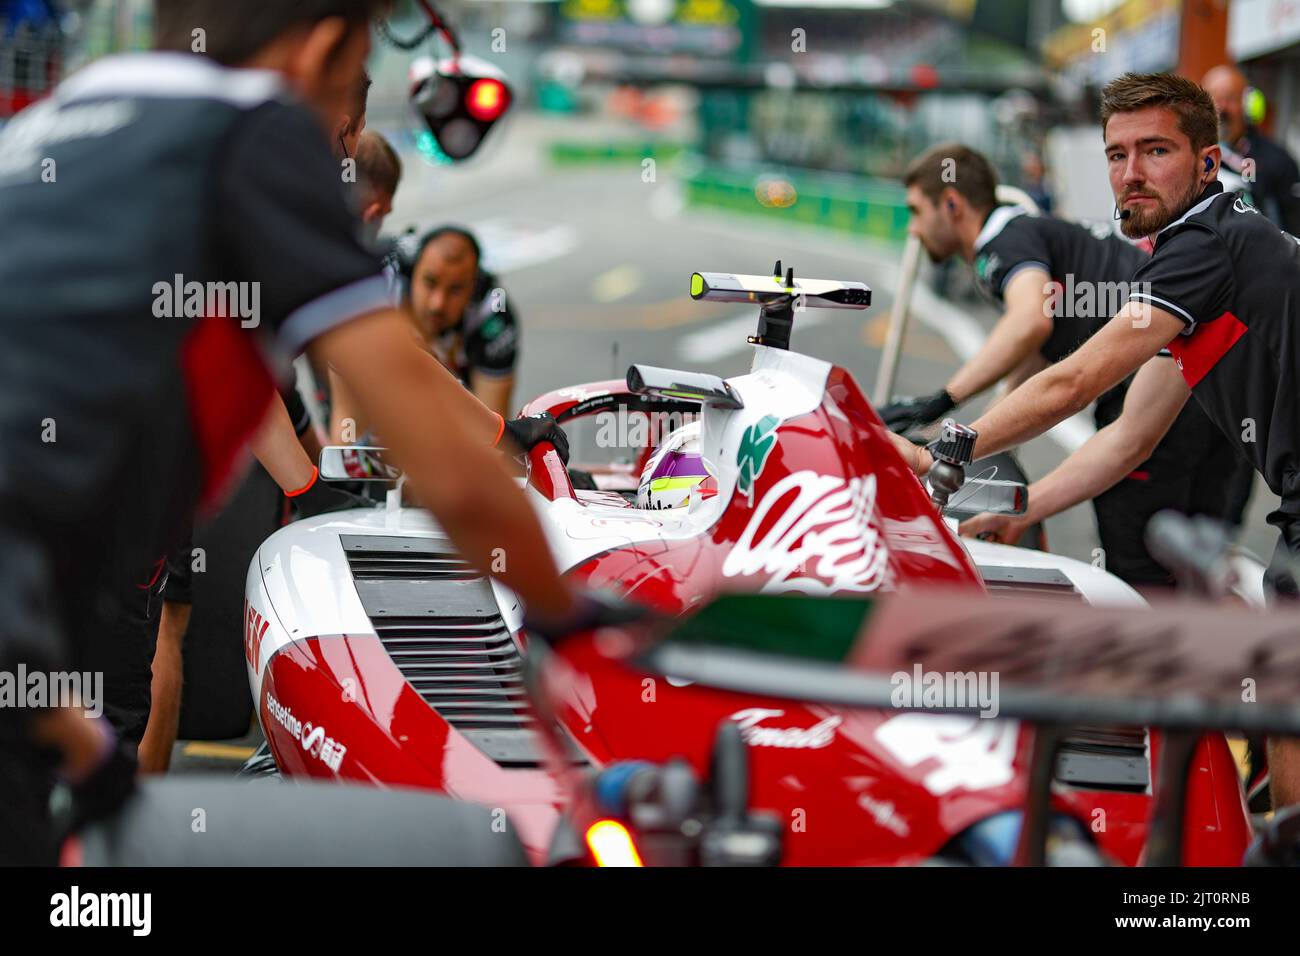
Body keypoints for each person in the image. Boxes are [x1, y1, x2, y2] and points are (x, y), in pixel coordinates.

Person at [0, 0, 579, 863]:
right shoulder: (253, 129)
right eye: (348, 121)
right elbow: (437, 451)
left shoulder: (64, 117)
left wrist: (84, 756)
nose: (342, 154)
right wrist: (581, 623)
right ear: (320, 48)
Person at [892, 72, 1300, 807]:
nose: (1130, 174)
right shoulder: (1203, 253)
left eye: (1155, 151)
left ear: (1207, 162)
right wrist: (1026, 506)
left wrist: (944, 443)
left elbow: (1073, 381)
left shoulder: (1208, 241)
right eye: (1117, 155)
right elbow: (1129, 438)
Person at [881, 143, 1252, 588]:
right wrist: (983, 430)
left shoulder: (1003, 243)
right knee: (1195, 565)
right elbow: (1042, 352)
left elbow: (1029, 324)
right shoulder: (1035, 231)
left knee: (1141, 574)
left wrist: (941, 402)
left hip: (1164, 392)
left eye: (916, 212)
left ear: (952, 204)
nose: (914, 230)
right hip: (1209, 394)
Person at [332, 226, 520, 437]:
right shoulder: (377, 292)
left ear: (473, 288)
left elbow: (494, 435)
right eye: (430, 283)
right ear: (413, 274)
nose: (437, 304)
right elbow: (348, 418)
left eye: (455, 290)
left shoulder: (492, 316)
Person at [1203, 64, 1300, 235]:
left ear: (1247, 103)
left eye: (1230, 98)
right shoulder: (1189, 156)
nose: (1221, 107)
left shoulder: (1276, 160)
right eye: (1214, 98)